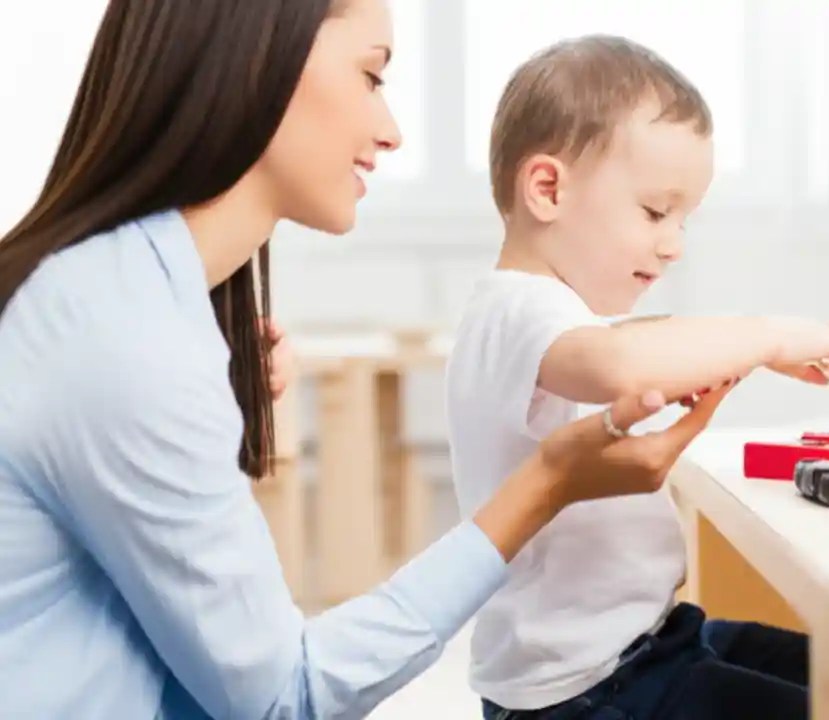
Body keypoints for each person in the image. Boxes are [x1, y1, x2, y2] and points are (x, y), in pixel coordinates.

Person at [0, 2, 735, 718]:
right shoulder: (125, 336)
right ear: (262, 59)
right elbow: (288, 697)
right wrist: (543, 486)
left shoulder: (121, 302)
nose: (390, 132)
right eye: (371, 76)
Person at [445, 35, 829, 719]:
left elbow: (637, 343)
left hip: (646, 645)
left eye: (684, 219)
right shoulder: (518, 307)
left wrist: (767, 350)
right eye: (655, 212)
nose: (674, 242)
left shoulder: (548, 314)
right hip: (585, 692)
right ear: (547, 189)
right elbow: (616, 362)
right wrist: (772, 336)